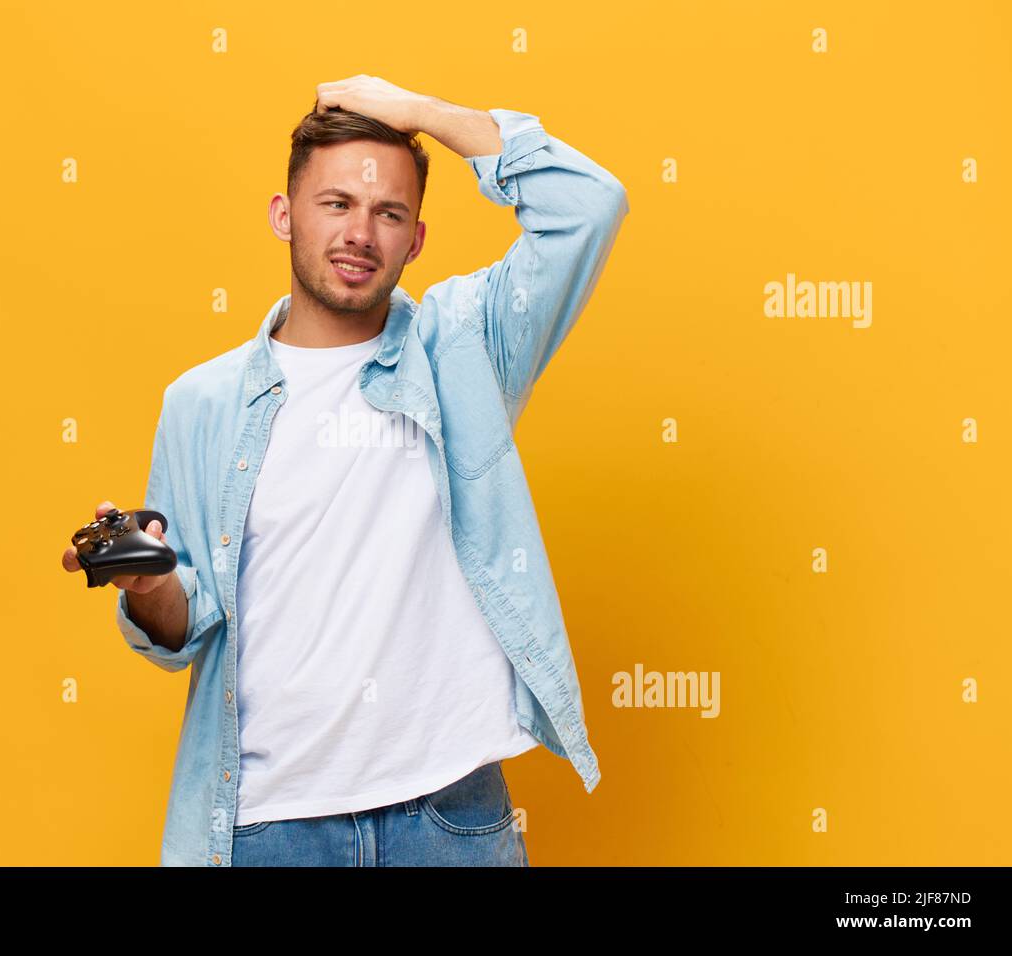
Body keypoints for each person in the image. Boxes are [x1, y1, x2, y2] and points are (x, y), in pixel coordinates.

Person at [62, 75, 629, 866]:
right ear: (283, 215)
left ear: (416, 239)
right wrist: (152, 586)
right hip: (267, 826)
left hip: (449, 820)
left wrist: (416, 112)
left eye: (387, 212)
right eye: (336, 203)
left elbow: (588, 206)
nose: (360, 233)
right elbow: (182, 627)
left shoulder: (465, 350)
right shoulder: (203, 403)